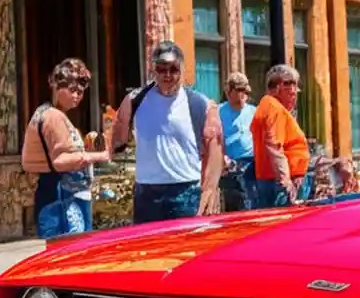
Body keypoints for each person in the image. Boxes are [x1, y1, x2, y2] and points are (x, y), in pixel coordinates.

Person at [111, 41, 224, 224]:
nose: (168, 75)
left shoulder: (199, 103)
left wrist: (209, 188)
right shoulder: (134, 100)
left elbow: (215, 147)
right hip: (147, 191)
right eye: (162, 69)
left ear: (181, 69)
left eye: (173, 69)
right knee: (148, 250)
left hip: (185, 190)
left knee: (185, 249)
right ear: (153, 69)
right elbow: (118, 140)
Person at [21, 59, 111, 238]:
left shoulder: (49, 113)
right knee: (72, 253)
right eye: (72, 91)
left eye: (80, 92)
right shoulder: (53, 117)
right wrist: (99, 155)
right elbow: (60, 161)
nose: (77, 96)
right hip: (62, 197)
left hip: (59, 194)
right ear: (57, 87)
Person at [250, 64, 310, 208]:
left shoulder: (270, 107)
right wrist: (285, 181)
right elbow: (273, 145)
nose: (294, 92)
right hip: (281, 184)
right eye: (290, 86)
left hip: (273, 179)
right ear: (278, 88)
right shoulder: (273, 107)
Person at [218, 72, 257, 212]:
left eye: (245, 91)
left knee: (250, 205)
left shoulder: (254, 111)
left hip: (251, 164)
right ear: (228, 92)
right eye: (239, 91)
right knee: (233, 208)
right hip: (230, 166)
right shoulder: (218, 112)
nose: (243, 95)